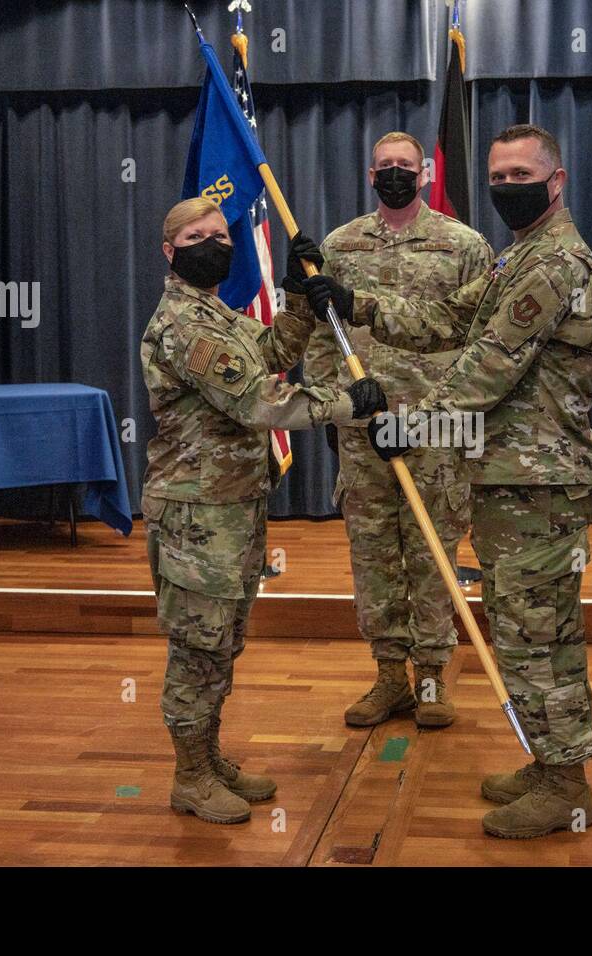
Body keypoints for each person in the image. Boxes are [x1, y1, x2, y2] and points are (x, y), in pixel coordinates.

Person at [300, 124, 592, 840]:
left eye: (521, 174)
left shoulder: (554, 263)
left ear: (556, 181)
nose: (506, 187)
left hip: (538, 481)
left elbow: (488, 365)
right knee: (526, 631)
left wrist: (414, 425)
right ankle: (549, 762)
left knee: (541, 636)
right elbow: (447, 317)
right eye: (496, 176)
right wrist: (358, 304)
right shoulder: (516, 257)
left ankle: (566, 782)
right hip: (507, 476)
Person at [140, 197, 387, 825]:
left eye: (220, 234)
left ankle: (208, 754)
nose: (213, 244)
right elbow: (258, 401)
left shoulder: (218, 316)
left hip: (233, 504)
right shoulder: (183, 327)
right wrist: (345, 402)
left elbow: (273, 350)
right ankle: (190, 775)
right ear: (170, 253)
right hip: (196, 512)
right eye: (197, 237)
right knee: (199, 645)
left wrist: (303, 295)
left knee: (223, 639)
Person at [288, 131, 492, 730]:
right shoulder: (339, 246)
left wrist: (445, 420)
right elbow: (324, 341)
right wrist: (333, 410)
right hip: (363, 433)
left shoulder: (465, 245)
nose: (396, 173)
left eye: (406, 165)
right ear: (369, 173)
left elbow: (481, 345)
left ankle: (432, 678)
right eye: (386, 166)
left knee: (432, 555)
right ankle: (388, 676)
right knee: (374, 557)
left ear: (425, 172)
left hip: (433, 433)